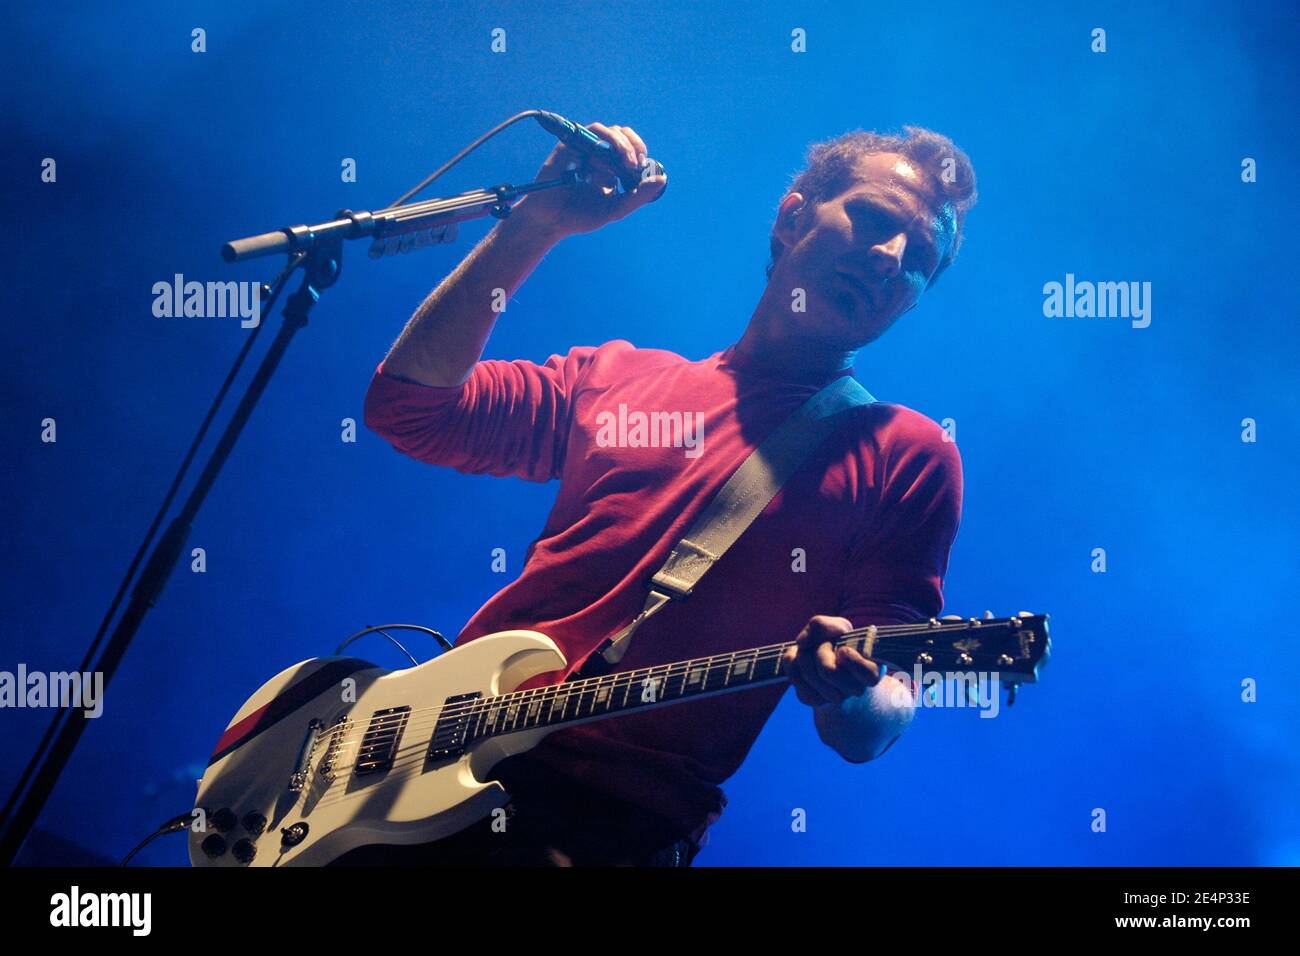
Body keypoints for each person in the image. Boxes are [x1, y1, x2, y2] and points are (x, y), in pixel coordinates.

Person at [358, 121, 977, 866]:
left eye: (919, 261)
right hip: (414, 770)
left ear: (913, 301)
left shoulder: (905, 454)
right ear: (791, 217)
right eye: (873, 220)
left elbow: (872, 725)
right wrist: (536, 223)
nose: (888, 258)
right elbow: (408, 408)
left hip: (603, 828)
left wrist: (853, 687)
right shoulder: (617, 377)